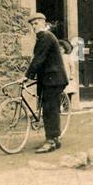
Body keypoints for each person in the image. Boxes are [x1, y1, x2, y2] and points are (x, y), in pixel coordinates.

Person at [24, 12, 69, 154]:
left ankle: (51, 140)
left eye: (36, 23)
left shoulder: (46, 37)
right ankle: (54, 139)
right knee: (49, 109)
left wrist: (27, 76)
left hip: (54, 79)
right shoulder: (43, 38)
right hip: (49, 79)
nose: (34, 26)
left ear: (44, 23)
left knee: (50, 109)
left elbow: (39, 58)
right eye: (32, 24)